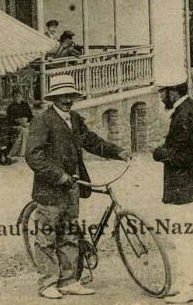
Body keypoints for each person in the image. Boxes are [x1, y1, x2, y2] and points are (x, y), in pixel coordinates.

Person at [25, 74, 129, 299]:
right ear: (54, 98)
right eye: (63, 97)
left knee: (70, 233)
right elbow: (33, 156)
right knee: (47, 236)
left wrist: (116, 152)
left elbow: (91, 140)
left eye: (70, 96)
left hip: (73, 186)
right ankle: (47, 283)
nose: (67, 100)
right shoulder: (42, 121)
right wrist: (59, 176)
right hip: (50, 189)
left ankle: (69, 280)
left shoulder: (74, 119)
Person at [153, 72, 193, 304]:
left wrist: (159, 152)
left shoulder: (184, 115)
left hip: (186, 185)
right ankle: (184, 281)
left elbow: (183, 155)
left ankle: (192, 285)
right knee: (182, 234)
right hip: (192, 184)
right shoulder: (190, 110)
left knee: (186, 236)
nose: (161, 96)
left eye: (163, 92)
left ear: (174, 91)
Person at [5, 92, 35, 162]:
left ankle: (26, 151)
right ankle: (22, 152)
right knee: (24, 130)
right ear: (12, 98)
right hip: (15, 125)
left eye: (19, 96)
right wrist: (20, 122)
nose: (17, 98)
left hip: (26, 124)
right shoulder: (11, 107)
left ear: (21, 97)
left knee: (28, 129)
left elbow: (30, 116)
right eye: (15, 97)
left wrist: (27, 122)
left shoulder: (25, 105)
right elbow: (10, 119)